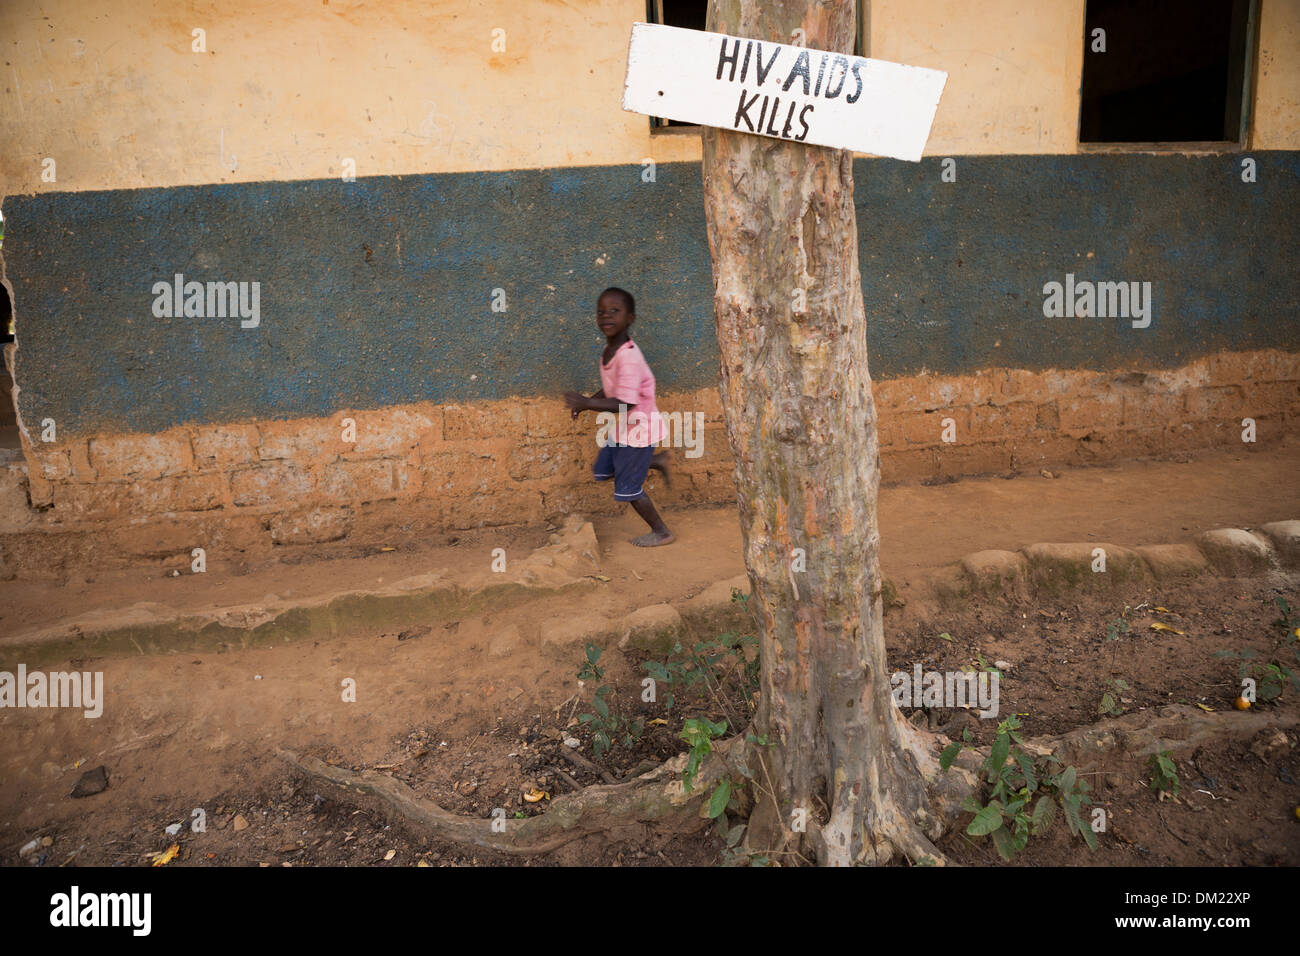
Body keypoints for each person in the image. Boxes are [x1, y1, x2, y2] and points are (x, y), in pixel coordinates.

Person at [564, 287, 674, 547]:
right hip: (626, 428)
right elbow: (612, 387)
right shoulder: (609, 351)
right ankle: (656, 461)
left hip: (640, 430)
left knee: (628, 489)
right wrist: (588, 401)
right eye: (601, 311)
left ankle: (661, 531)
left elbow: (625, 402)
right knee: (602, 471)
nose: (606, 316)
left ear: (631, 318)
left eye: (615, 311)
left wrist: (587, 402)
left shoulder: (629, 357)